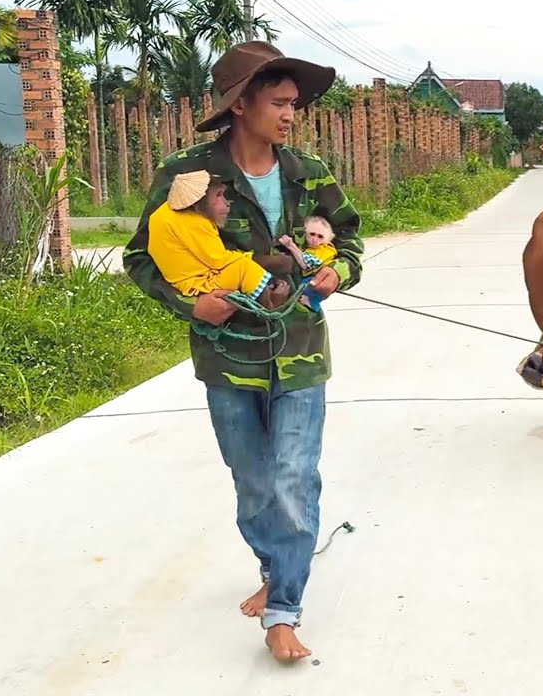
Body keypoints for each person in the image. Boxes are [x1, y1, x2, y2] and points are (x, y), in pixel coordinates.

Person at [123, 40, 364, 664]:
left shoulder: (309, 172)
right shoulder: (190, 176)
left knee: (292, 477)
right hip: (228, 358)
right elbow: (141, 256)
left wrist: (339, 274)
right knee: (254, 483)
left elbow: (352, 241)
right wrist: (189, 307)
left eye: (295, 105)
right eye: (279, 103)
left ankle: (284, 609)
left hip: (303, 353)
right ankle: (275, 561)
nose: (290, 115)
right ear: (241, 104)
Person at [146, 170, 291, 310]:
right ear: (197, 201)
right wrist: (253, 259)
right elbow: (218, 260)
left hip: (182, 279)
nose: (226, 203)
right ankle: (271, 306)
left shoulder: (162, 214)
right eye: (219, 195)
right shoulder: (196, 223)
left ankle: (265, 287)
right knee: (243, 267)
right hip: (199, 283)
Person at [276, 216, 338, 311]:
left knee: (308, 285)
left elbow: (306, 264)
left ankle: (313, 303)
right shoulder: (309, 248)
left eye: (320, 236)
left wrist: (291, 246)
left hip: (318, 279)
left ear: (328, 239)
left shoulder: (326, 250)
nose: (314, 239)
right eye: (312, 234)